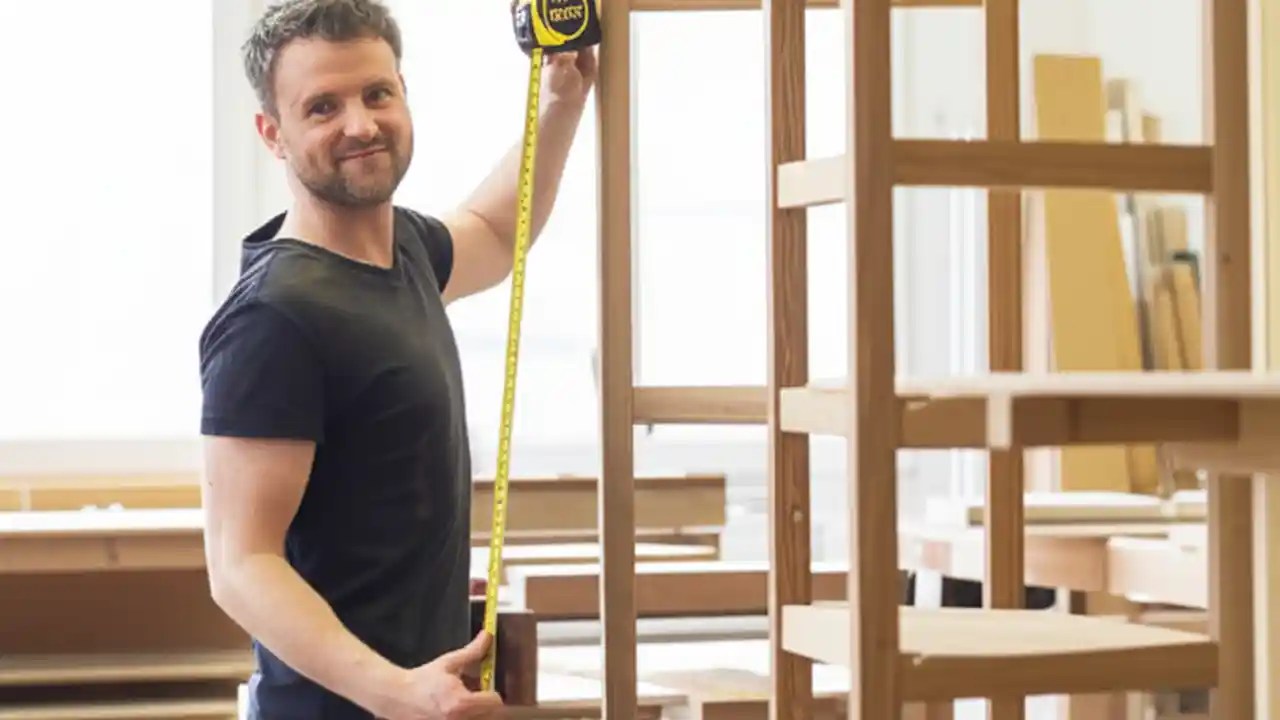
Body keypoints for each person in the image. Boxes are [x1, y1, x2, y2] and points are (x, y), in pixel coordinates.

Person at [196, 1, 596, 718]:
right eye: (323, 107)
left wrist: (561, 103)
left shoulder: (403, 250)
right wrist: (397, 691)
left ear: (404, 94)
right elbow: (240, 565)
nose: (360, 125)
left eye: (377, 94)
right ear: (273, 134)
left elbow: (494, 230)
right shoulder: (274, 316)